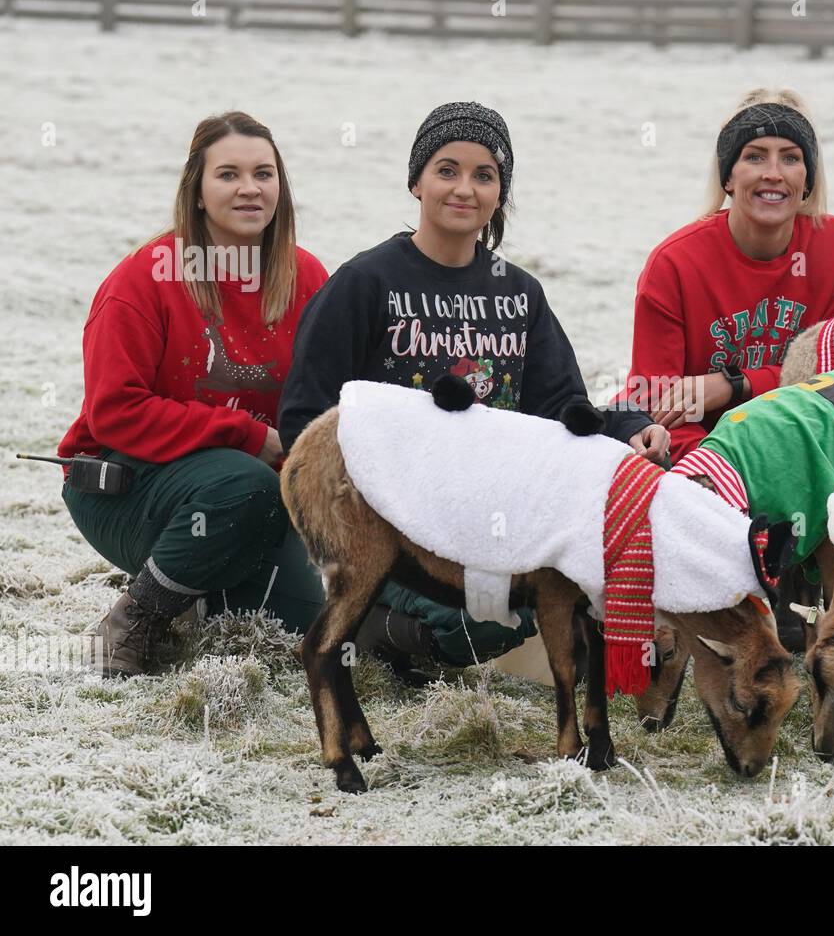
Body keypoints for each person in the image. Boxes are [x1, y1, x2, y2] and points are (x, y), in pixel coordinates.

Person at [278, 101, 665, 673]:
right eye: (447, 169)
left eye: (484, 176)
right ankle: (372, 630)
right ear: (416, 181)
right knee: (468, 625)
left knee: (541, 606)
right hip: (388, 525)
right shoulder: (365, 283)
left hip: (485, 521)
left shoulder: (520, 294)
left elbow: (560, 410)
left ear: (499, 193)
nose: (465, 189)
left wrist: (632, 426)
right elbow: (306, 418)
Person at [59, 111, 330, 676]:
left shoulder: (305, 277)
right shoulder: (143, 279)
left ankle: (197, 592)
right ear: (198, 192)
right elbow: (115, 411)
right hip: (123, 483)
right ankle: (139, 616)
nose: (250, 188)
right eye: (228, 174)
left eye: (264, 173)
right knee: (242, 482)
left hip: (251, 497)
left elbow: (324, 397)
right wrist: (248, 434)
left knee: (301, 624)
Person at [617, 88, 834, 465]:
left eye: (791, 158)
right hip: (695, 446)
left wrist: (733, 383)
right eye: (754, 156)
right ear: (728, 177)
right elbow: (656, 401)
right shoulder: (674, 263)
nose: (773, 174)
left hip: (792, 438)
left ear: (808, 179)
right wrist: (719, 467)